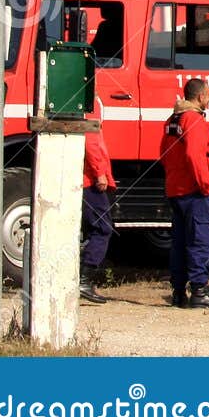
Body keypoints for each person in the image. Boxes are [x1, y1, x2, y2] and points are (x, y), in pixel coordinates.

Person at [160, 77, 209, 309]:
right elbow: (195, 157)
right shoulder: (194, 121)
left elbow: (163, 153)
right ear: (200, 96)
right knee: (200, 241)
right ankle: (199, 292)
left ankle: (178, 293)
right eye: (208, 94)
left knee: (179, 243)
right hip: (194, 191)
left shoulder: (172, 120)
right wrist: (206, 186)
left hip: (175, 189)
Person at [80, 115, 116, 304]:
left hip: (85, 178)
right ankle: (84, 280)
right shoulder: (88, 109)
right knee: (102, 228)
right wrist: (100, 173)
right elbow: (92, 143)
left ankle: (82, 279)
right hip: (90, 180)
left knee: (90, 229)